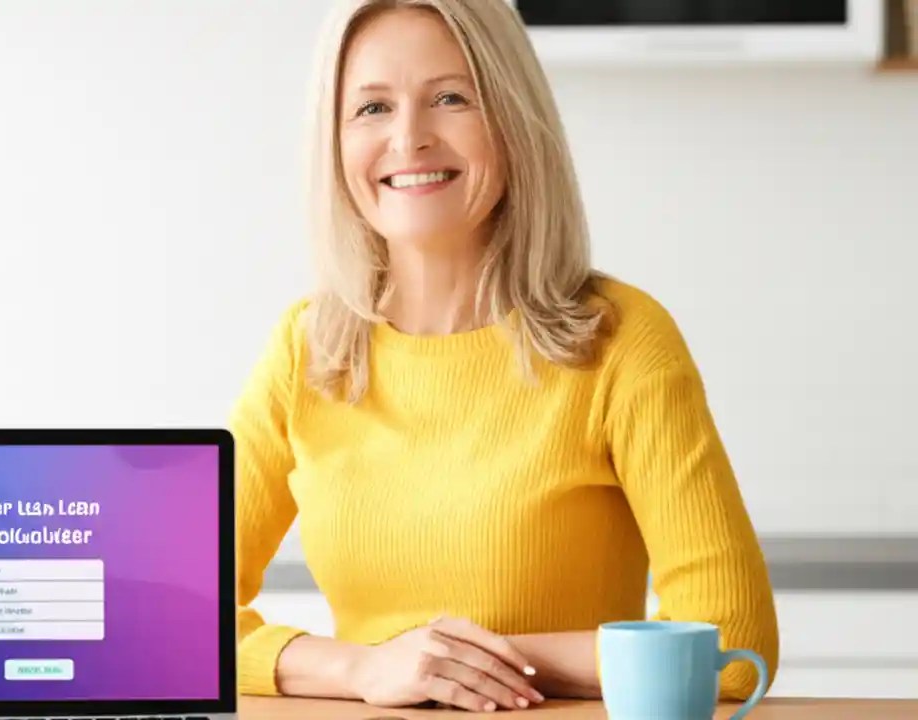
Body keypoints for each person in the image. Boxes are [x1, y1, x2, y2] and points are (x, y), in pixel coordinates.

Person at [228, 0, 780, 713]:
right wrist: (363, 671)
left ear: (513, 120)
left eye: (451, 98)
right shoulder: (305, 350)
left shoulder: (622, 341)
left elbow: (732, 649)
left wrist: (454, 664)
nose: (409, 138)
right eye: (371, 108)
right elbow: (168, 618)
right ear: (333, 141)